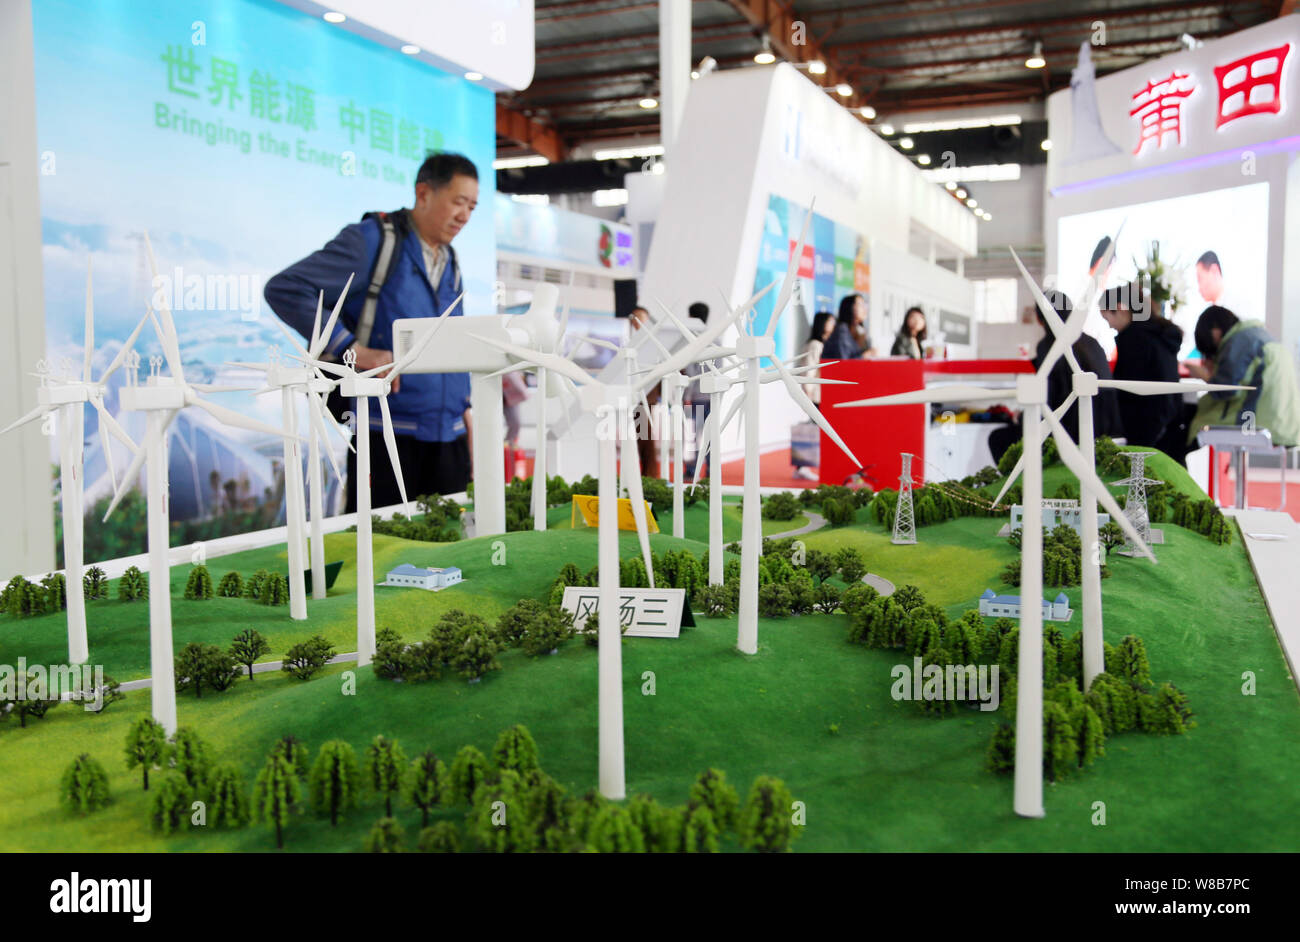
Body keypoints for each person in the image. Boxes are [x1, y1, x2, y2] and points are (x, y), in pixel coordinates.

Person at [265, 152, 479, 512]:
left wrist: (466, 412)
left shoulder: (450, 260)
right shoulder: (373, 242)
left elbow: (449, 344)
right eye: (458, 202)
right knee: (381, 554)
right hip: (386, 436)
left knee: (451, 556)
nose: (465, 216)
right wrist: (355, 351)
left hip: (450, 439)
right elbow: (285, 289)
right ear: (423, 193)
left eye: (472, 207)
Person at [988, 290, 1122, 463]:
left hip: (1069, 436)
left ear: (1039, 319)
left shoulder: (1049, 346)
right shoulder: (1092, 343)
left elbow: (1047, 402)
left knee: (997, 439)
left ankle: (1025, 486)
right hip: (1105, 433)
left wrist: (1021, 418)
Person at [1098, 279, 1189, 459]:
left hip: (1146, 431)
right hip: (1169, 427)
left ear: (1120, 308)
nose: (1109, 325)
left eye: (1107, 317)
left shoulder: (1134, 340)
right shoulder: (1160, 334)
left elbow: (1130, 391)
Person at [1185, 305, 1300, 448]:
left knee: (1182, 428)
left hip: (1253, 423)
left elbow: (1226, 390)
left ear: (1215, 331)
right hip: (1283, 427)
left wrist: (1204, 375)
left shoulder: (1239, 341)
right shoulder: (1258, 336)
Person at [823, 293, 875, 360]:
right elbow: (843, 362)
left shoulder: (859, 330)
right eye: (860, 305)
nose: (865, 308)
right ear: (849, 308)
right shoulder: (842, 330)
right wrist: (864, 356)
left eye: (865, 304)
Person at [802, 311, 836, 405]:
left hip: (823, 394)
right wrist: (808, 391)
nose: (834, 324)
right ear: (822, 323)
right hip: (816, 395)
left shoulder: (826, 344)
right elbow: (809, 369)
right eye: (830, 321)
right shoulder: (815, 345)